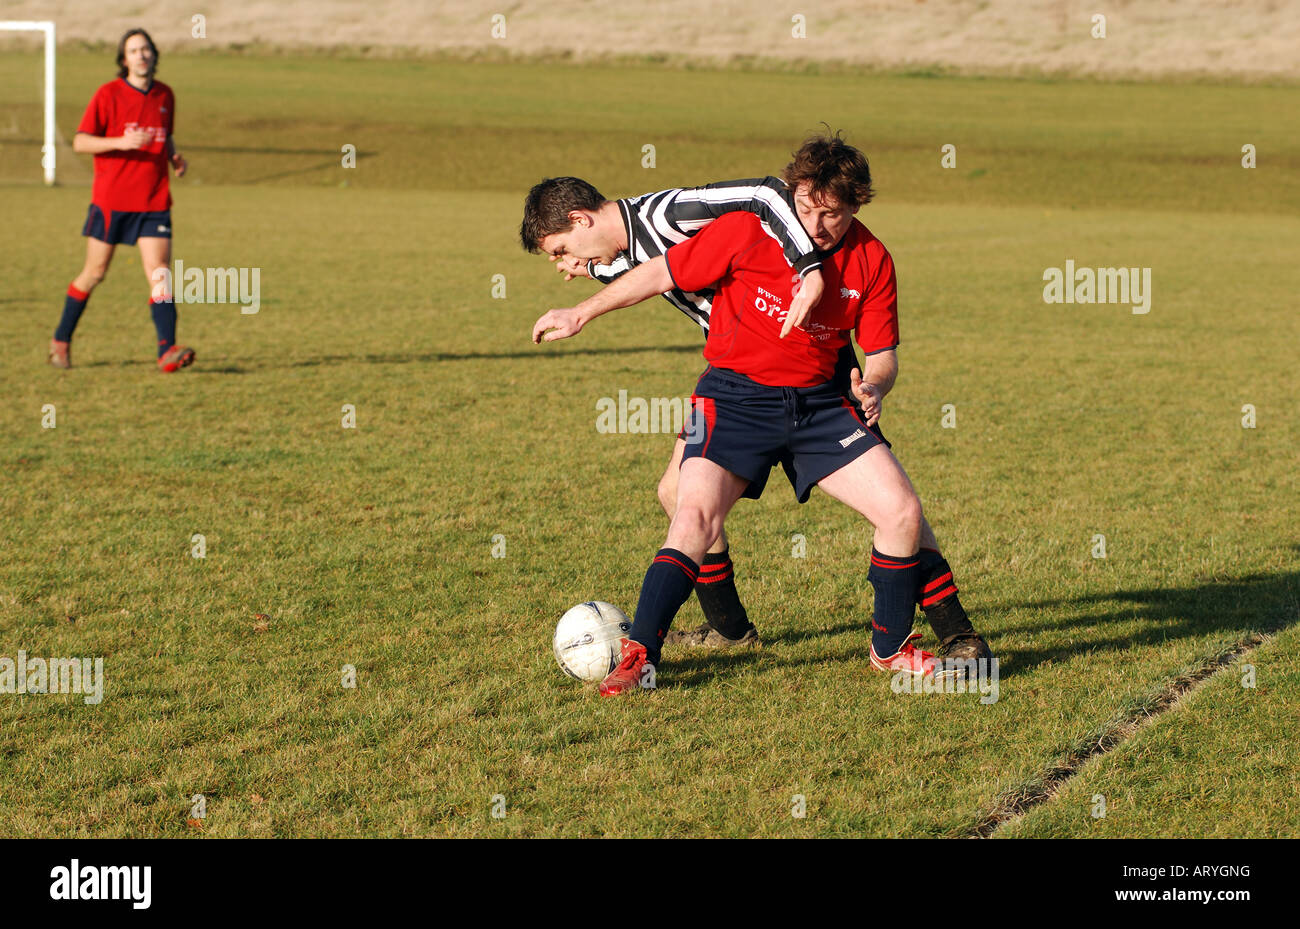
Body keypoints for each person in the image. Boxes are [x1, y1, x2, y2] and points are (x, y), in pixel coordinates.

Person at [531, 132, 993, 696]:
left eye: (833, 214)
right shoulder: (745, 230)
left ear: (856, 207)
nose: (817, 226)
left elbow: (882, 355)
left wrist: (874, 385)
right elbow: (657, 272)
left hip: (821, 401)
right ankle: (644, 656)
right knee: (689, 512)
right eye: (806, 209)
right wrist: (581, 312)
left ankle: (898, 647)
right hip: (733, 398)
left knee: (902, 511)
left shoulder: (872, 259)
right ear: (791, 197)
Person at [522, 175, 826, 650]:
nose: (565, 260)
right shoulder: (631, 244)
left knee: (885, 502)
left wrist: (809, 269)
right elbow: (647, 272)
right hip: (737, 375)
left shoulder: (668, 213)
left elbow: (765, 192)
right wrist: (593, 270)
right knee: (675, 491)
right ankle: (730, 629)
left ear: (580, 219)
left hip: (791, 368)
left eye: (561, 249)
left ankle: (942, 616)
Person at [49, 27, 195, 373]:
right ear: (124, 59)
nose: (141, 55)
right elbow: (81, 142)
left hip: (154, 201)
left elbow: (166, 136)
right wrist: (120, 142)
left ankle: (166, 351)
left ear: (154, 55)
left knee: (160, 273)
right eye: (133, 51)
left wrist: (174, 157)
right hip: (111, 201)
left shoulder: (165, 95)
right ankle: (60, 341)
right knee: (95, 272)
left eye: (145, 49)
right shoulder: (108, 94)